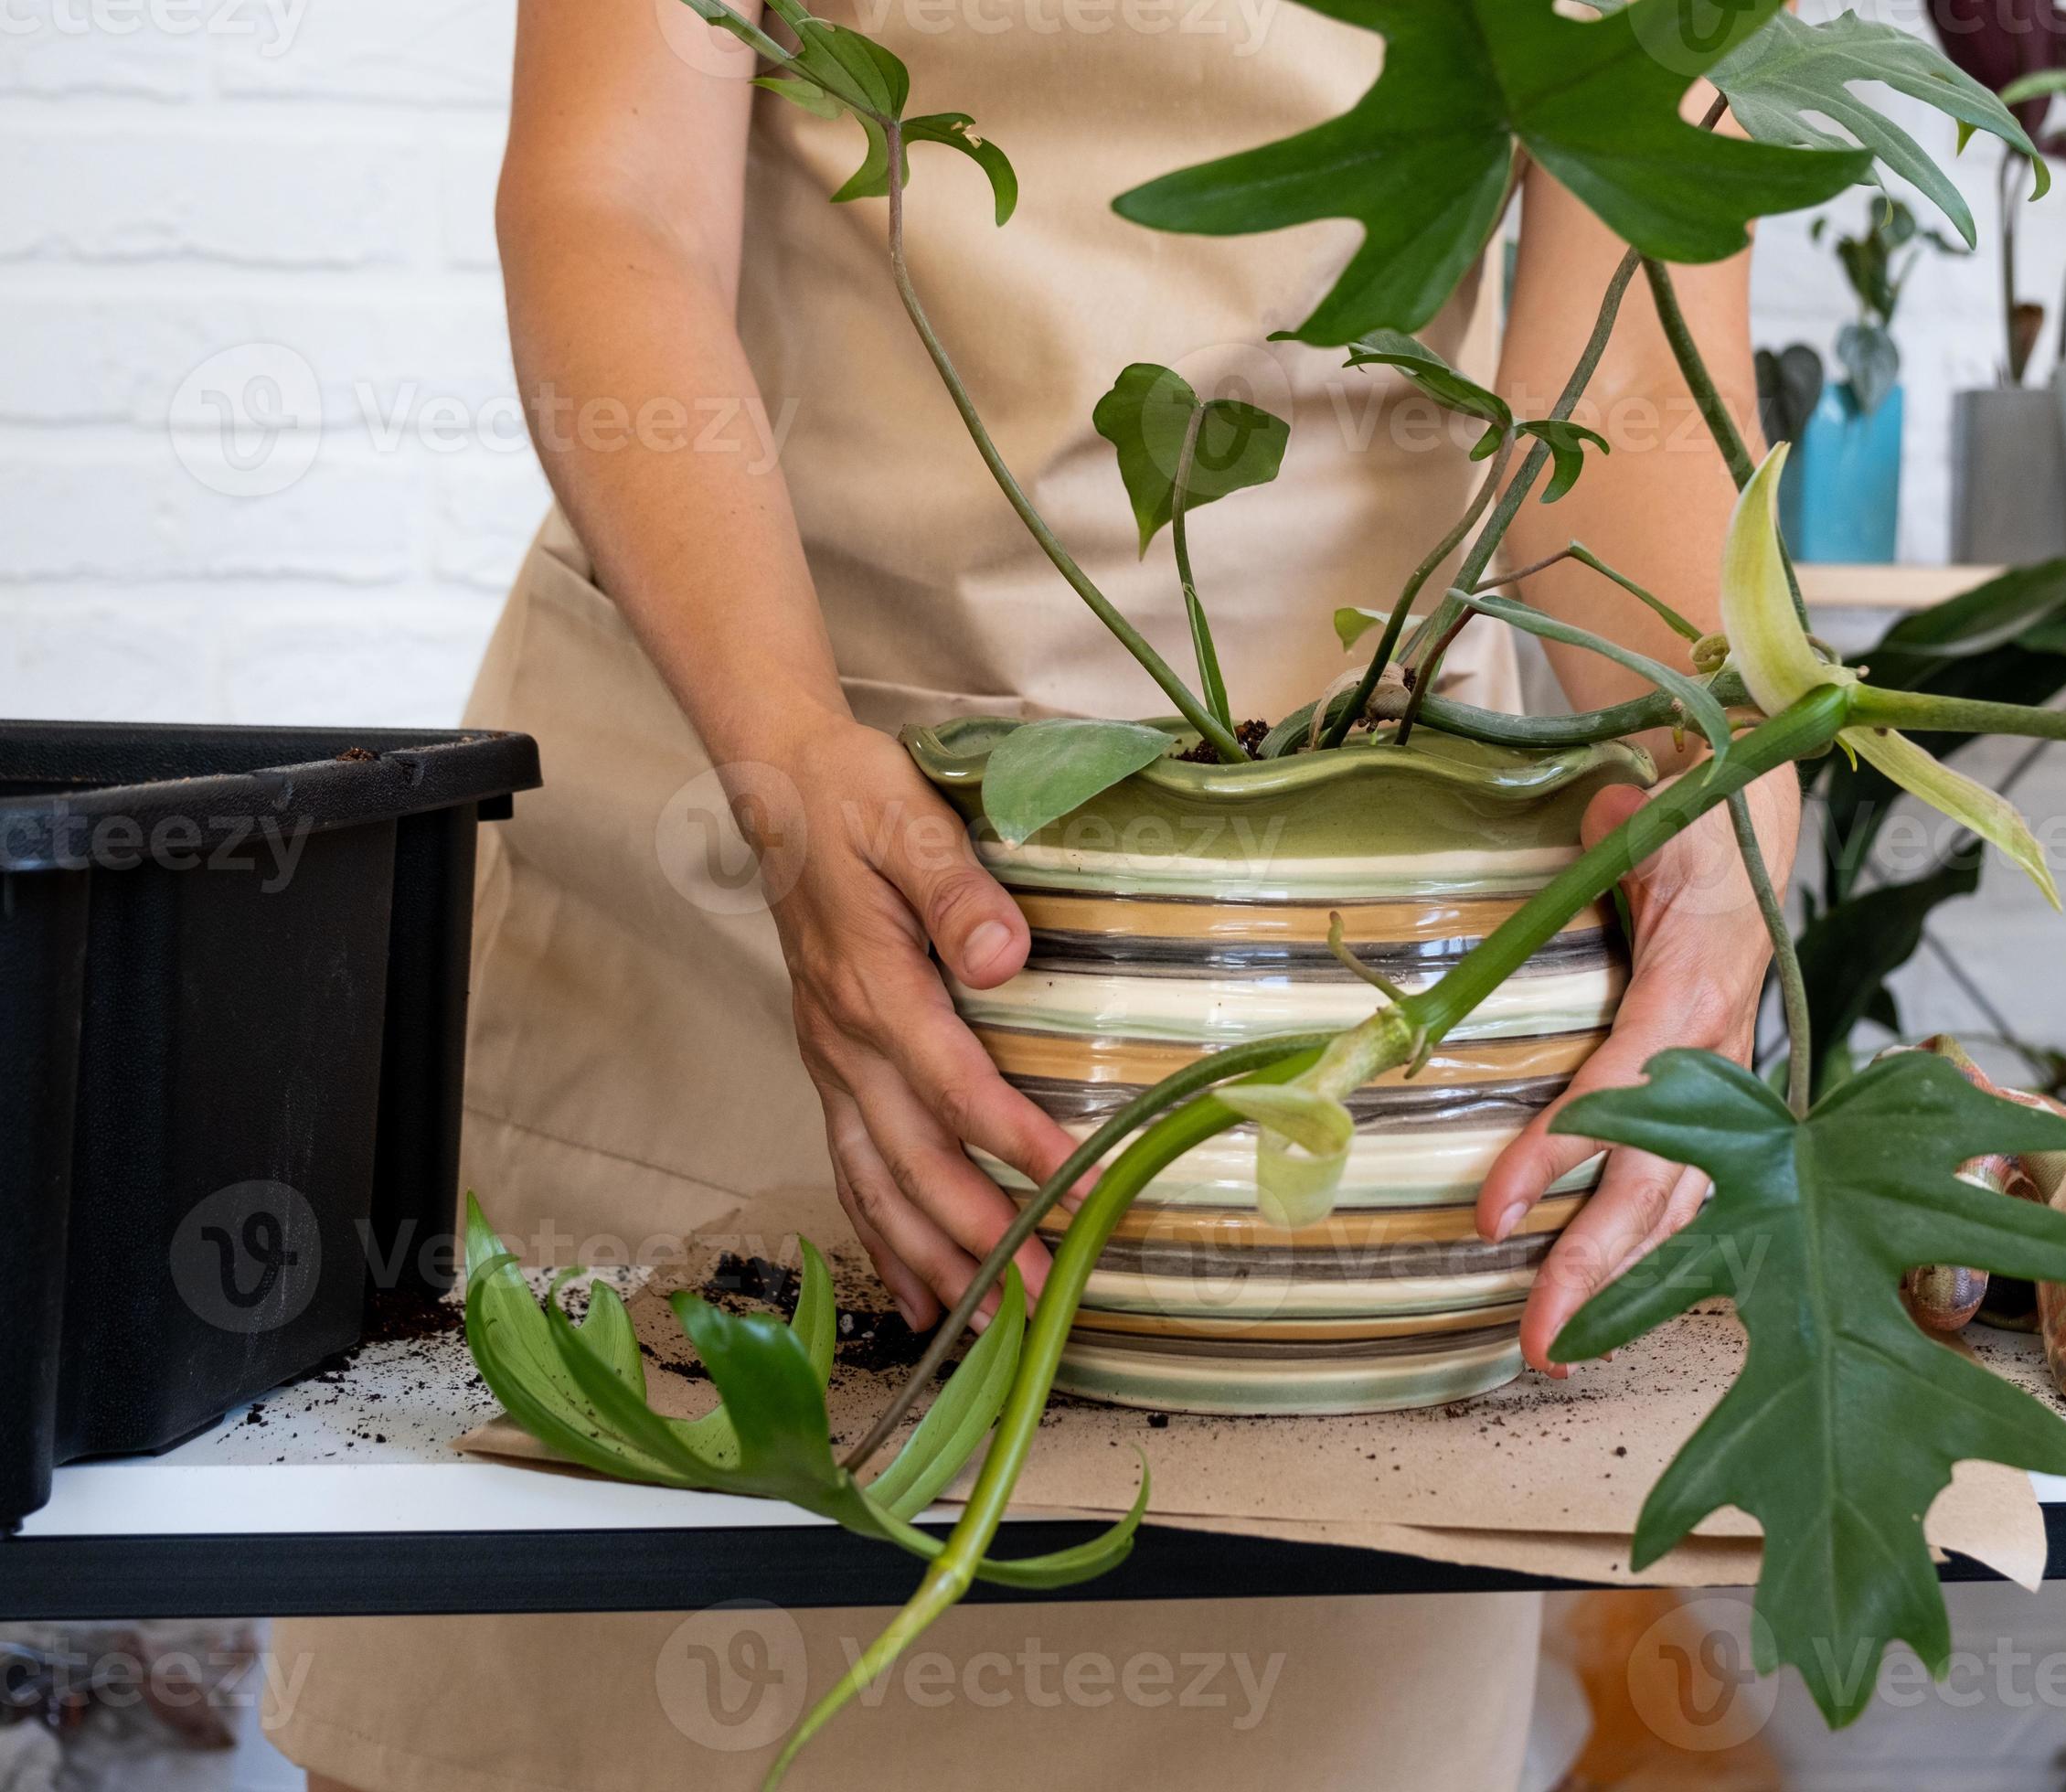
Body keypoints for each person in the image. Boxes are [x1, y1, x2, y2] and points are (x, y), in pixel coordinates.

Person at [266, 3, 1804, 1787]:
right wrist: (781, 755)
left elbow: (1633, 345)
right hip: (743, 822)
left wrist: (1712, 759)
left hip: (1328, 938)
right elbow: (616, 206)